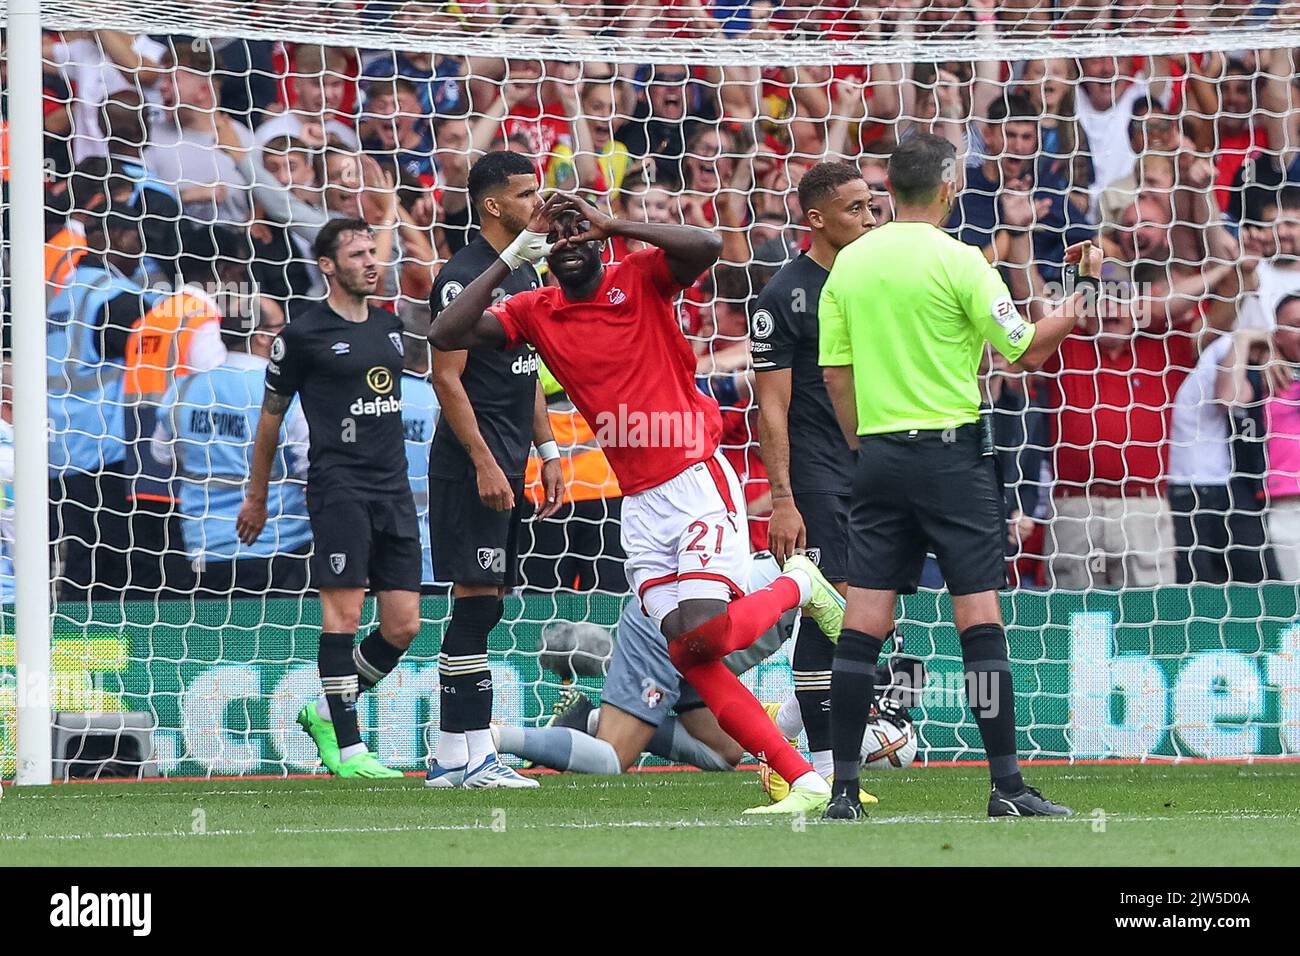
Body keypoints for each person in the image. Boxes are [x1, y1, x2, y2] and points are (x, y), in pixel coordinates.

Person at [431, 192, 847, 816]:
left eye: (581, 232)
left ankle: (798, 586)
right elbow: (444, 332)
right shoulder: (532, 309)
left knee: (702, 635)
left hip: (695, 480)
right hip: (640, 504)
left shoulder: (640, 276)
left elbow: (707, 245)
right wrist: (510, 256)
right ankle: (802, 780)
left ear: (600, 241)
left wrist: (614, 221)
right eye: (558, 234)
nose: (570, 241)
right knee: (689, 652)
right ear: (543, 250)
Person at [817, 133, 1096, 820]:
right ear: (948, 188)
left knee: (862, 625)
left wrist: (866, 450)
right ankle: (1006, 787)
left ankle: (845, 792)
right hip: (953, 461)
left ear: (889, 190)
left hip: (880, 458)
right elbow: (1026, 350)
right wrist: (1083, 289)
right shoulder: (964, 261)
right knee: (978, 619)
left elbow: (835, 375)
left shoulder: (849, 264)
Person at [236, 218, 422, 779]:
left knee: (403, 625)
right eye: (358, 253)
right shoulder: (302, 336)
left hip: (393, 488)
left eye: (373, 251)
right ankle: (349, 748)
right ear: (327, 266)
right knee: (342, 617)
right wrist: (257, 495)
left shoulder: (391, 328)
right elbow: (271, 422)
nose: (372, 261)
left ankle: (323, 712)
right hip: (339, 489)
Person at [425, 151, 564, 789]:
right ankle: (471, 756)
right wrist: (483, 460)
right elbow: (446, 379)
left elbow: (525, 367)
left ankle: (451, 759)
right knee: (476, 605)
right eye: (526, 193)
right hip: (471, 465)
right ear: (492, 205)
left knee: (489, 602)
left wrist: (550, 451)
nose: (538, 202)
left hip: (510, 461)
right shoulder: (464, 279)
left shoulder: (525, 273)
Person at [751, 160, 874, 788]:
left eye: (873, 206)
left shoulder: (875, 282)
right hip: (817, 473)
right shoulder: (784, 295)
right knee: (832, 611)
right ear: (816, 219)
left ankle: (787, 729)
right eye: (855, 209)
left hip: (876, 466)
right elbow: (769, 404)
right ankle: (818, 770)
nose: (870, 218)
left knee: (872, 614)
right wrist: (783, 499)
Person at [153, 301, 311, 595]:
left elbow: (162, 453)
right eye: (281, 328)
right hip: (279, 543)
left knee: (215, 638)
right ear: (263, 337)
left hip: (205, 545)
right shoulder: (284, 391)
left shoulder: (184, 389)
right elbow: (310, 463)